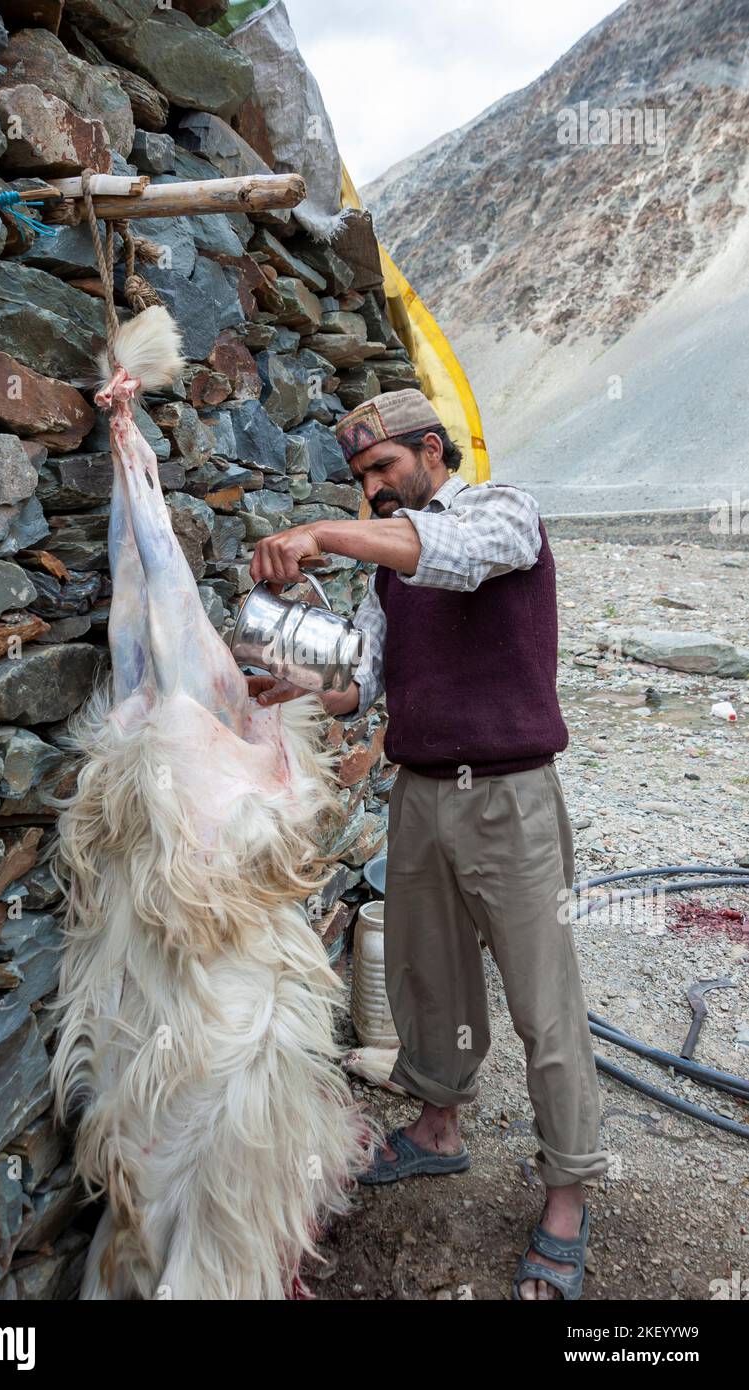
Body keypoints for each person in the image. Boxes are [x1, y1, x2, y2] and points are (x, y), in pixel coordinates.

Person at [247, 388, 610, 1301]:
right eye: (361, 478)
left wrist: (325, 534)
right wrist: (284, 673)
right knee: (426, 978)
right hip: (419, 795)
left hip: (509, 799)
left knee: (543, 1001)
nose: (373, 488)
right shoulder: (382, 566)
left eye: (382, 469)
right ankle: (438, 1129)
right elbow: (359, 684)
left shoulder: (500, 513)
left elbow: (440, 557)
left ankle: (565, 1192)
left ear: (431, 451)